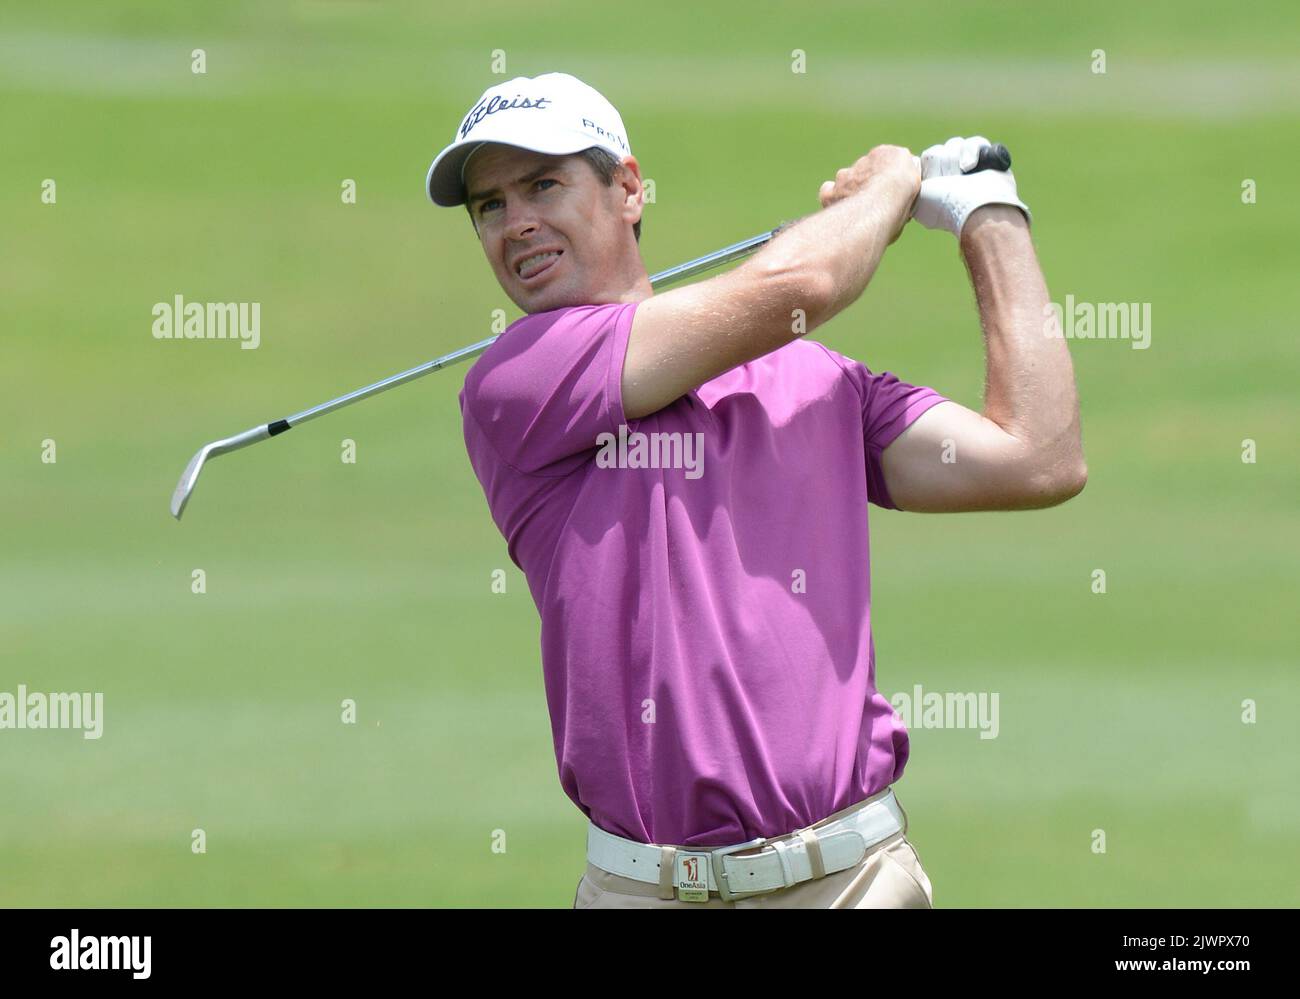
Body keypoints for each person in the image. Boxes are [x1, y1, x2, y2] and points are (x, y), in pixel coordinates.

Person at [425, 72, 1085, 908]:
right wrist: (888, 189)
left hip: (852, 883)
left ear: (628, 188)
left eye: (543, 184)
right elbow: (801, 289)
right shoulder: (516, 382)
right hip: (642, 889)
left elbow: (1039, 455)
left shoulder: (818, 382)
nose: (515, 222)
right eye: (489, 205)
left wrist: (989, 215)